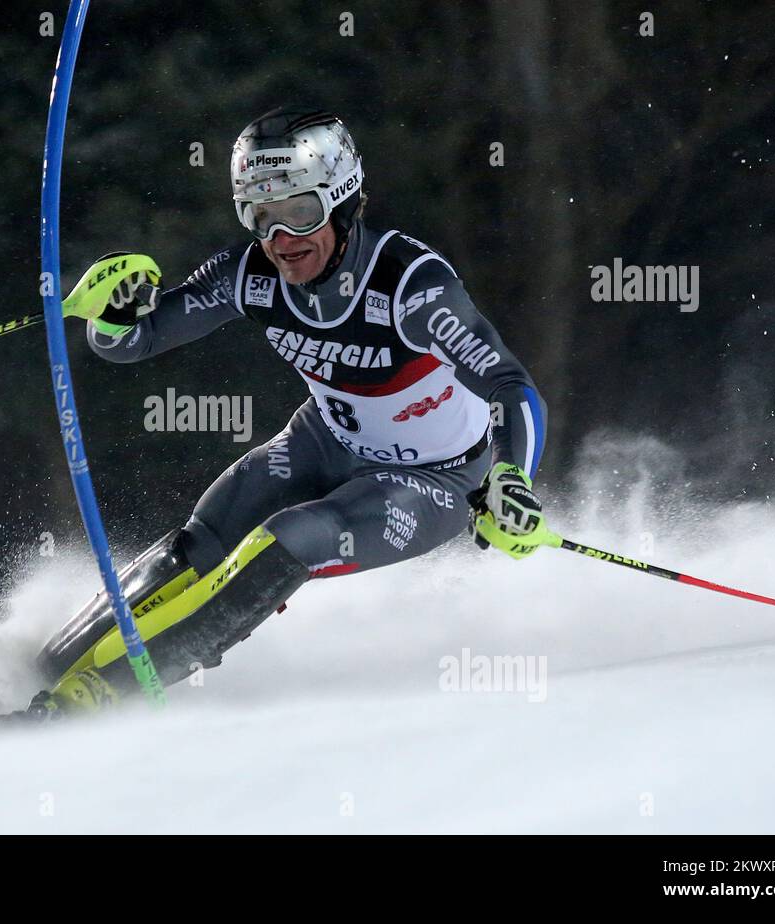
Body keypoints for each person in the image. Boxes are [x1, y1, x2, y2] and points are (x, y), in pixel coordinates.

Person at [30, 106, 549, 716]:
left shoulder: (410, 286)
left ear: (343, 200)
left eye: (299, 213)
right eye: (260, 216)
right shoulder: (251, 275)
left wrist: (511, 477)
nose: (281, 241)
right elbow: (136, 342)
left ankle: (102, 696)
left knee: (292, 538)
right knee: (204, 539)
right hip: (322, 442)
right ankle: (38, 671)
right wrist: (112, 311)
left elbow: (512, 386)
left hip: (434, 477)